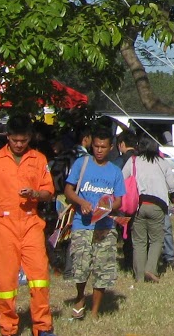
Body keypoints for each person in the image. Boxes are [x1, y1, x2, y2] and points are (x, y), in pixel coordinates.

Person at [0, 115, 55, 336]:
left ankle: (43, 326)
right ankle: (8, 327)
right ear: (7, 137)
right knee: (4, 281)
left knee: (39, 275)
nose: (19, 144)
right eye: (15, 140)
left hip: (30, 223)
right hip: (3, 225)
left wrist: (35, 193)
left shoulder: (38, 159)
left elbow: (48, 192)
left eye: (23, 140)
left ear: (30, 137)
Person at [63, 126, 127, 320]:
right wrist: (81, 202)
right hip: (82, 225)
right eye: (96, 146)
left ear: (111, 148)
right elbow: (68, 190)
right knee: (80, 267)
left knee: (102, 269)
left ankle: (95, 312)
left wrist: (107, 207)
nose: (99, 150)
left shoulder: (115, 171)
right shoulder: (81, 164)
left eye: (103, 147)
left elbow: (119, 200)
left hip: (105, 227)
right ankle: (80, 297)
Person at [119, 133, 174, 284]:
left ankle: (139, 277)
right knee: (156, 240)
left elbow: (121, 179)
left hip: (138, 206)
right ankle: (150, 269)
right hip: (157, 206)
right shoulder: (163, 163)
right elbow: (172, 187)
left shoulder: (134, 161)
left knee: (139, 242)